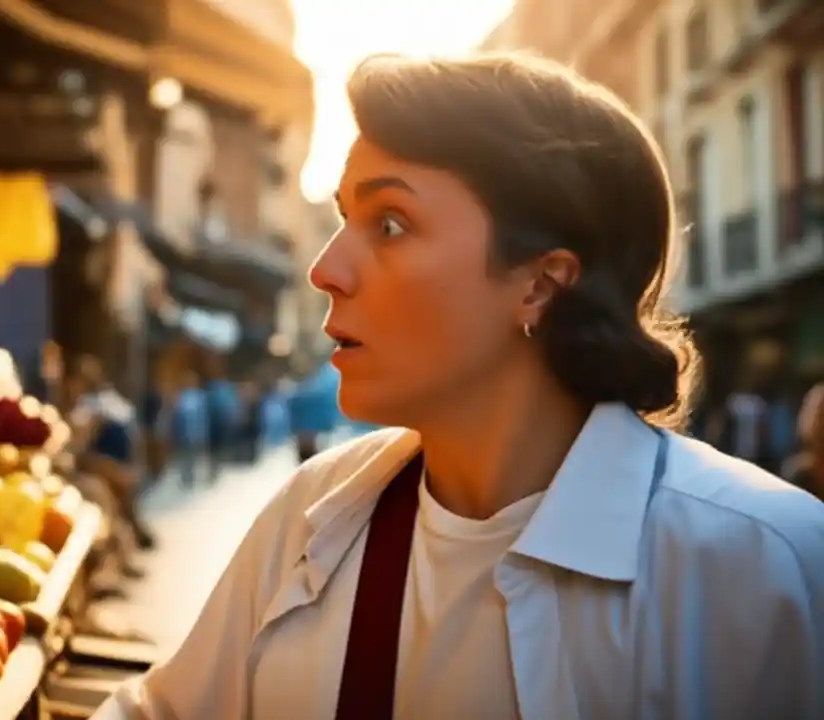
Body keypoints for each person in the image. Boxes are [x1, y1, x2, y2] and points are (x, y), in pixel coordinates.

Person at [94, 53, 824, 719]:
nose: (324, 269)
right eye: (345, 216)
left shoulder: (767, 569)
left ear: (539, 284)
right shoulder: (310, 521)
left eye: (389, 223)